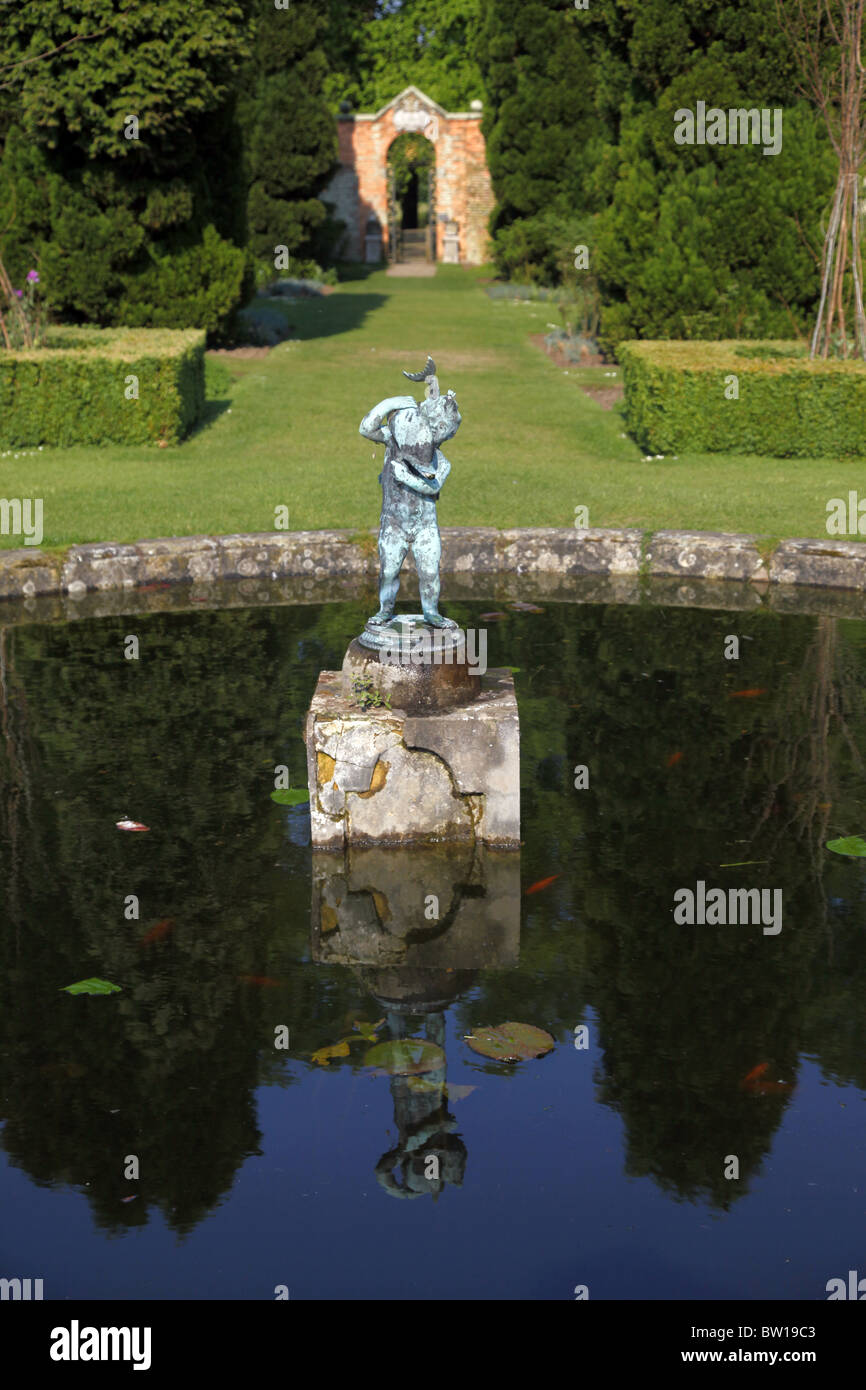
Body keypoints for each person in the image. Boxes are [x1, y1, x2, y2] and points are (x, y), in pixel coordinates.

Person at [358, 357, 461, 628]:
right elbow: (365, 428)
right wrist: (390, 403)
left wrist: (407, 478)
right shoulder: (393, 440)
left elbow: (434, 486)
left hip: (425, 525)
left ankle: (431, 612)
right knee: (389, 571)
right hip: (394, 522)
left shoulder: (442, 461)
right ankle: (384, 609)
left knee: (429, 572)